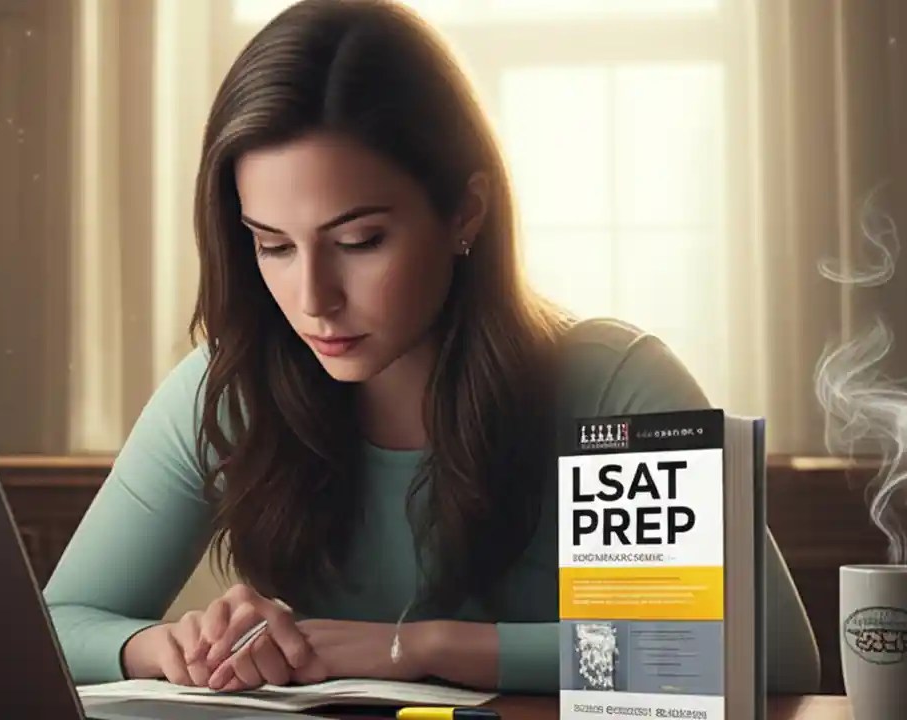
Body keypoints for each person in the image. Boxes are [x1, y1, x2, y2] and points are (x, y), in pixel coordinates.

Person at [42, 0, 821, 696]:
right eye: (272, 246)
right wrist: (166, 647)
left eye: (359, 239)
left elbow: (762, 654)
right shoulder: (231, 390)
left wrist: (419, 648)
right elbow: (59, 621)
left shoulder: (608, 388)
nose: (313, 298)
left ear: (465, 212)